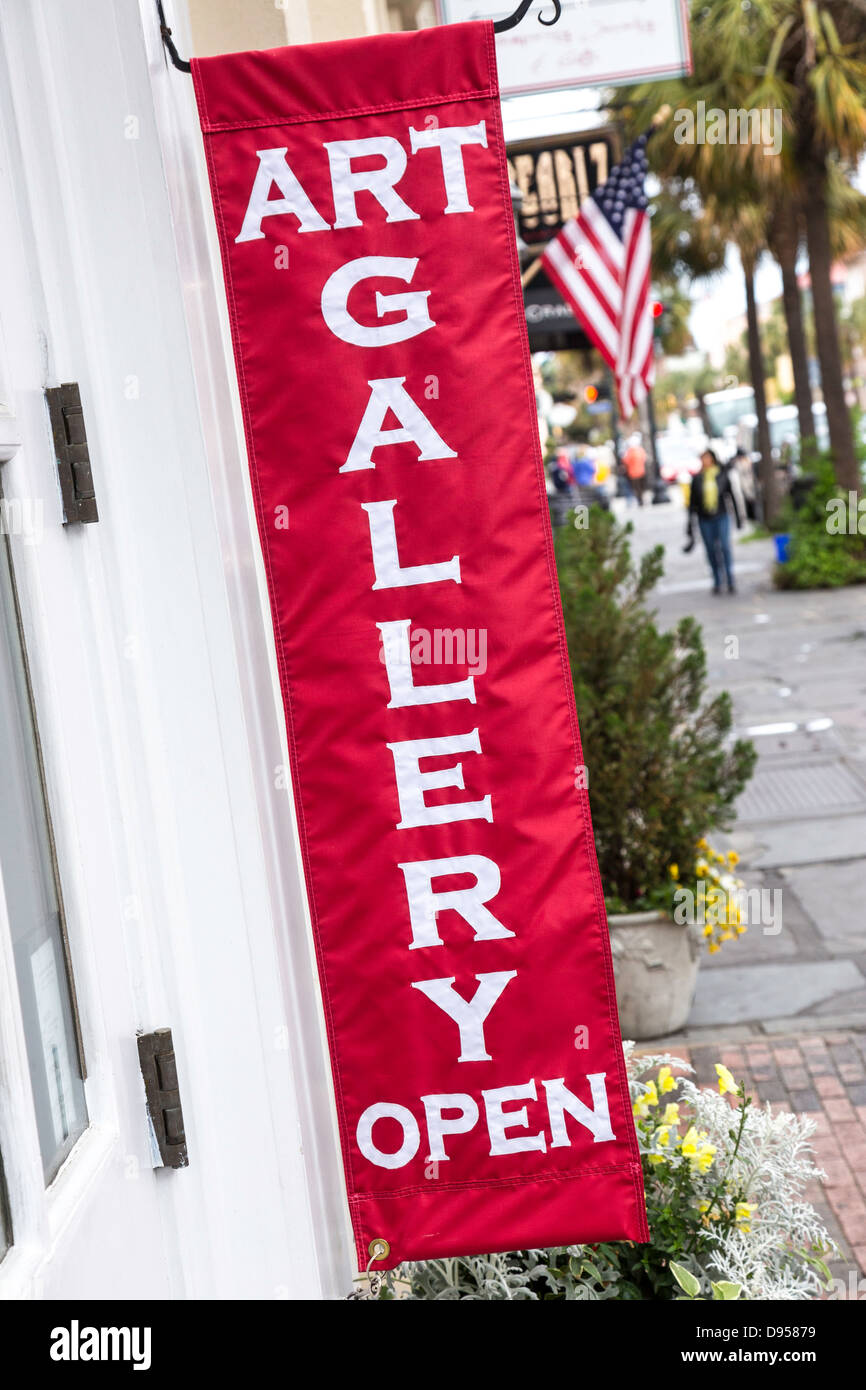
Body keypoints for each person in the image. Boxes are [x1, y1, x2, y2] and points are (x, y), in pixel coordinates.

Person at [686, 447, 743, 594]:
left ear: (712, 459)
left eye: (707, 458)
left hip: (722, 515)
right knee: (711, 549)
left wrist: (737, 517)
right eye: (702, 458)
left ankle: (730, 578)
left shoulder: (722, 475)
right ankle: (717, 580)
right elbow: (692, 503)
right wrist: (690, 525)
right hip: (704, 518)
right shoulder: (697, 479)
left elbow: (731, 497)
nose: (705, 461)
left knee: (725, 547)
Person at [623, 435, 647, 506]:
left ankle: (640, 500)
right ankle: (641, 500)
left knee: (637, 488)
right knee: (640, 488)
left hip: (633, 473)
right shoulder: (640, 450)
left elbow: (626, 461)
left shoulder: (630, 451)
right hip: (641, 471)